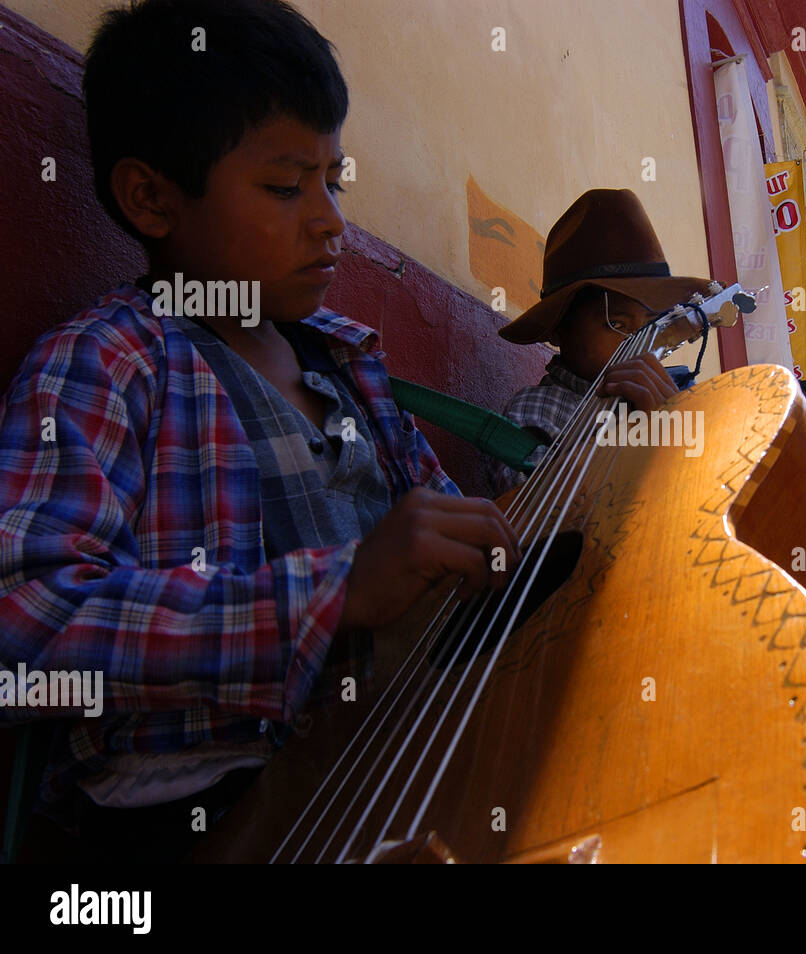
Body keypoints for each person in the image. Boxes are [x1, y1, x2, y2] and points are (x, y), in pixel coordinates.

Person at [0, 0, 520, 862]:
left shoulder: (347, 363)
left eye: (333, 181)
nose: (331, 223)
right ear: (151, 198)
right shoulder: (111, 361)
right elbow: (21, 626)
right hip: (210, 817)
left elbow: (448, 528)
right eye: (285, 187)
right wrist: (330, 594)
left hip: (399, 761)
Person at [489, 190, 806, 507]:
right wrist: (659, 436)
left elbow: (742, 514)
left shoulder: (680, 402)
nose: (637, 343)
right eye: (616, 323)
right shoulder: (535, 413)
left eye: (648, 326)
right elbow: (532, 524)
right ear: (560, 330)